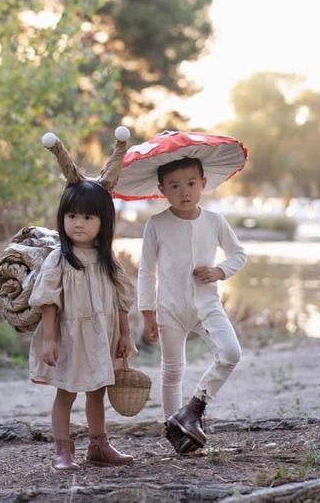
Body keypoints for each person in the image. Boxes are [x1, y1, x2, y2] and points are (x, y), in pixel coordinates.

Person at [138, 156, 247, 453]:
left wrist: (219, 271)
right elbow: (146, 271)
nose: (184, 191)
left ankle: (195, 408)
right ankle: (175, 431)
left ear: (203, 184)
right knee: (173, 370)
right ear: (162, 189)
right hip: (169, 308)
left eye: (190, 184)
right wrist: (147, 314)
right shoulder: (157, 224)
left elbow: (238, 254)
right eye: (174, 186)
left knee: (230, 353)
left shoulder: (215, 221)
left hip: (207, 305)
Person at [28, 180, 135, 470]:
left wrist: (126, 335)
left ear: (104, 221)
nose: (78, 224)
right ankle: (62, 450)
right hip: (70, 337)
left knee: (98, 391)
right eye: (72, 216)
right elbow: (48, 301)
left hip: (102, 336)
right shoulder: (59, 259)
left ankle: (99, 445)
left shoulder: (108, 261)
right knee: (66, 391)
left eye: (88, 217)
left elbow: (122, 299)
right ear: (62, 218)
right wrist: (49, 340)